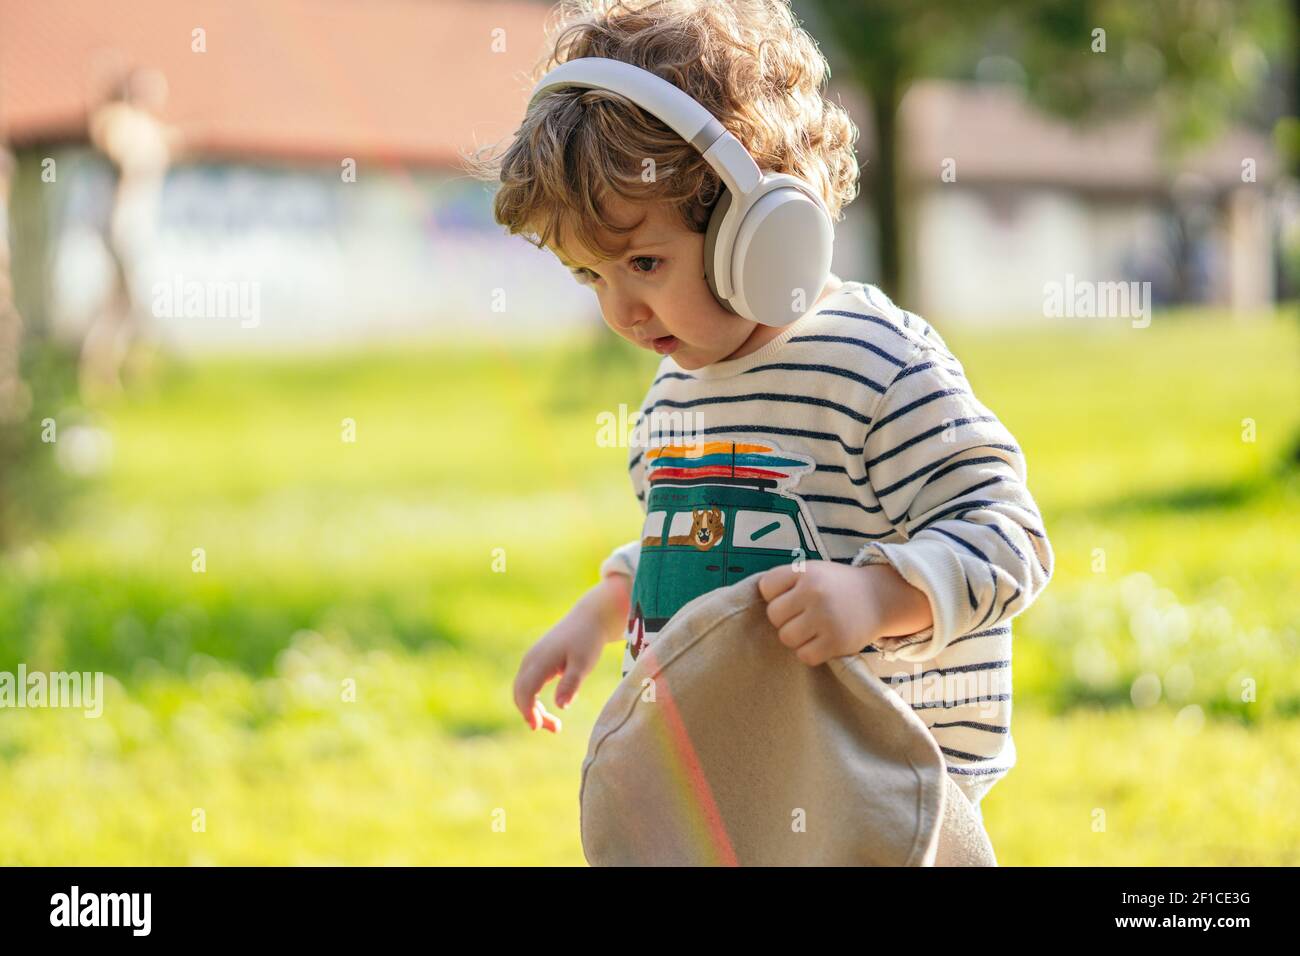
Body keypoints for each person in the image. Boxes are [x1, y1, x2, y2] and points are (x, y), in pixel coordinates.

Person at [470, 0, 1054, 818]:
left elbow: (1009, 537)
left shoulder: (876, 366)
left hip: (888, 800)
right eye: (589, 276)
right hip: (744, 789)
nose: (621, 311)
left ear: (758, 226)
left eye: (643, 260)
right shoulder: (675, 389)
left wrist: (877, 600)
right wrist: (602, 612)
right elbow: (702, 550)